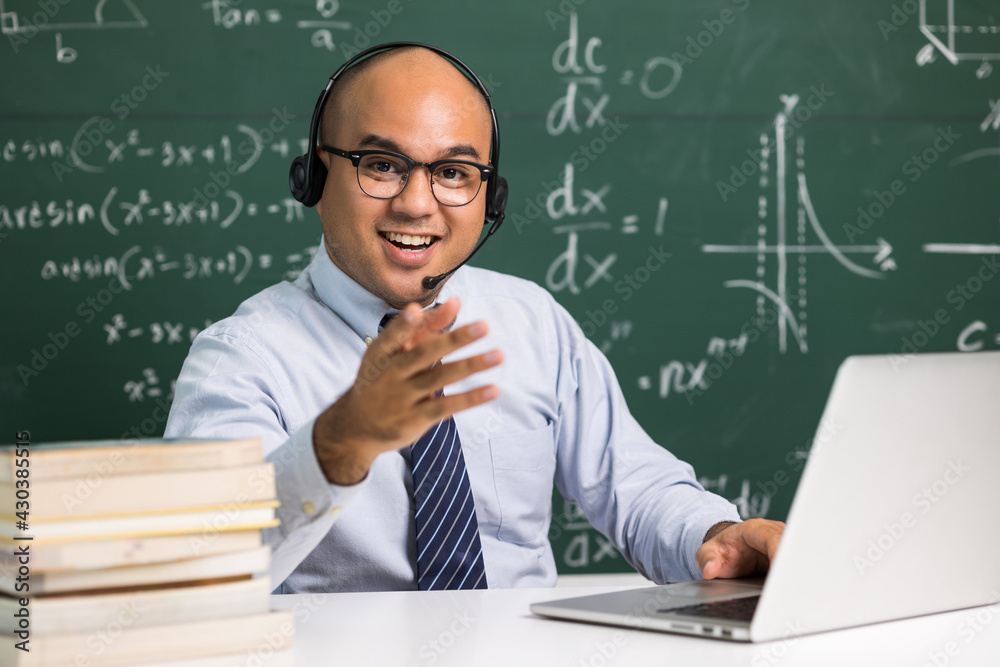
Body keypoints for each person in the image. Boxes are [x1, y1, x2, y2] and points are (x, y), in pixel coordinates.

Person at [164, 43, 783, 593]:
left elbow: (636, 487)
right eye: (381, 165)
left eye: (453, 173)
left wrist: (718, 535)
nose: (416, 203)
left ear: (491, 199)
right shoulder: (240, 357)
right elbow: (205, 573)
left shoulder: (531, 321)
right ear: (314, 177)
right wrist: (340, 443)